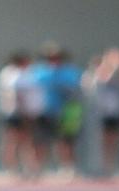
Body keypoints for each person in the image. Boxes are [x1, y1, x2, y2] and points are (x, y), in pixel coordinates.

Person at [28, 42, 83, 177]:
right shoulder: (38, 71)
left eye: (57, 57)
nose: (54, 60)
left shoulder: (69, 71)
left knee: (65, 142)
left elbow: (75, 88)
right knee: (39, 142)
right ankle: (37, 169)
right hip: (43, 112)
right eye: (50, 57)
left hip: (65, 113)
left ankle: (67, 168)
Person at [83, 48, 119, 178]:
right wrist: (109, 64)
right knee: (100, 142)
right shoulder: (93, 75)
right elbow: (102, 80)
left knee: (114, 141)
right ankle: (98, 168)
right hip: (99, 115)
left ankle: (110, 167)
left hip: (115, 113)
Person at [0, 50, 39, 179]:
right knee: (13, 141)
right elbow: (16, 93)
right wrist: (24, 111)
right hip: (16, 112)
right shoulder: (13, 73)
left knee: (24, 141)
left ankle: (27, 168)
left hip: (20, 112)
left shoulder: (19, 73)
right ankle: (12, 169)